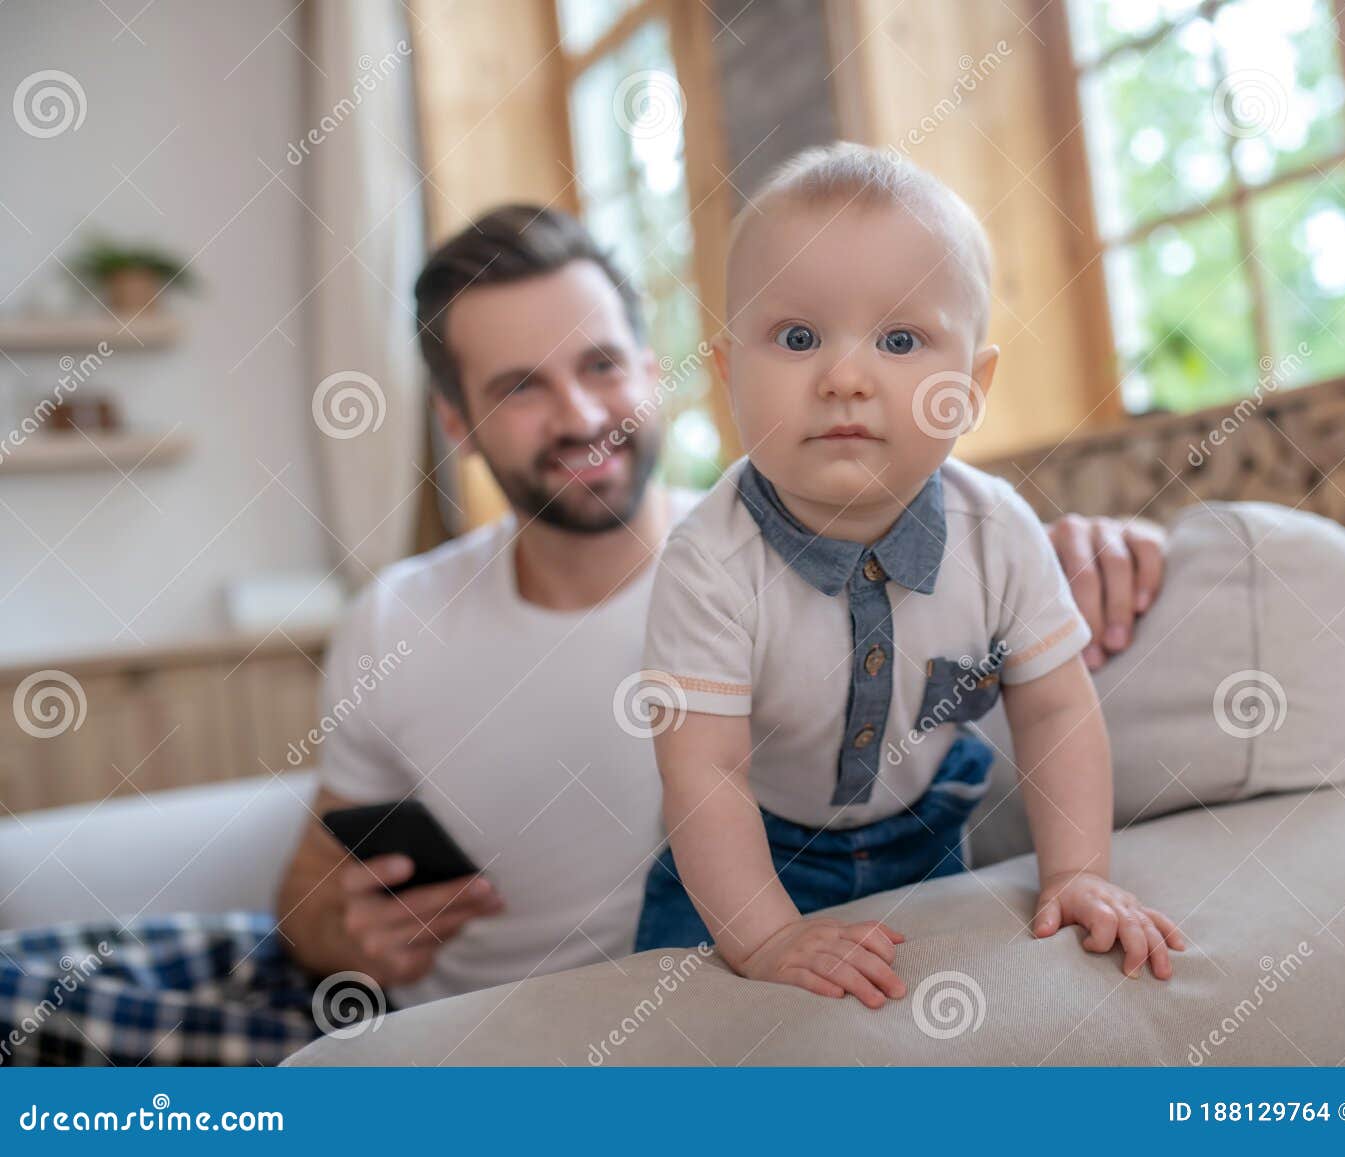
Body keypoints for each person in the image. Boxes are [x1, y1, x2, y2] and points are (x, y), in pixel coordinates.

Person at [0, 201, 1167, 1065]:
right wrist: (340, 929)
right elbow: (310, 877)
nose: (581, 416)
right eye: (520, 386)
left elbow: (968, 564)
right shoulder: (394, 620)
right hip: (394, 1028)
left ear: (652, 372)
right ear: (457, 421)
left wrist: (1098, 545)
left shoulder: (783, 550)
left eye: (603, 365)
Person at [632, 145, 1185, 1006]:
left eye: (899, 339)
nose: (845, 378)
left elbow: (1055, 706)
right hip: (748, 852)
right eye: (798, 337)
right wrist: (768, 936)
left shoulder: (997, 530)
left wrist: (1078, 871)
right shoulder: (708, 560)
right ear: (727, 375)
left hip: (928, 824)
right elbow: (704, 774)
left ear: (971, 386)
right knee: (673, 1037)